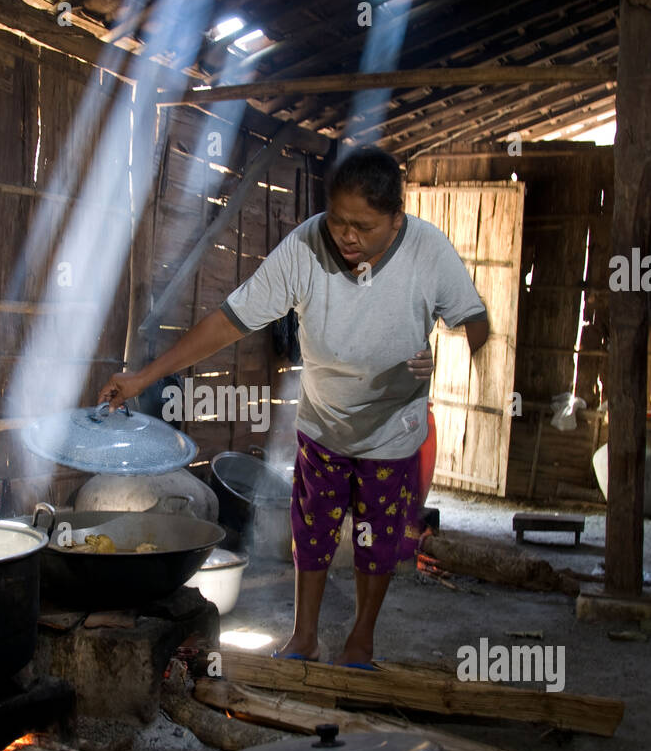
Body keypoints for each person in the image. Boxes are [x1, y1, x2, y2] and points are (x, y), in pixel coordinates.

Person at [99, 145, 489, 667]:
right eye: (339, 220)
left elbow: (474, 318)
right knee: (312, 531)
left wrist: (460, 343)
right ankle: (303, 637)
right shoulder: (306, 246)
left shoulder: (428, 252)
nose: (348, 236)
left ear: (398, 218)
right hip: (325, 424)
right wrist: (144, 375)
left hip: (394, 430)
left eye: (365, 226)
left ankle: (361, 640)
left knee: (378, 541)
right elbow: (229, 320)